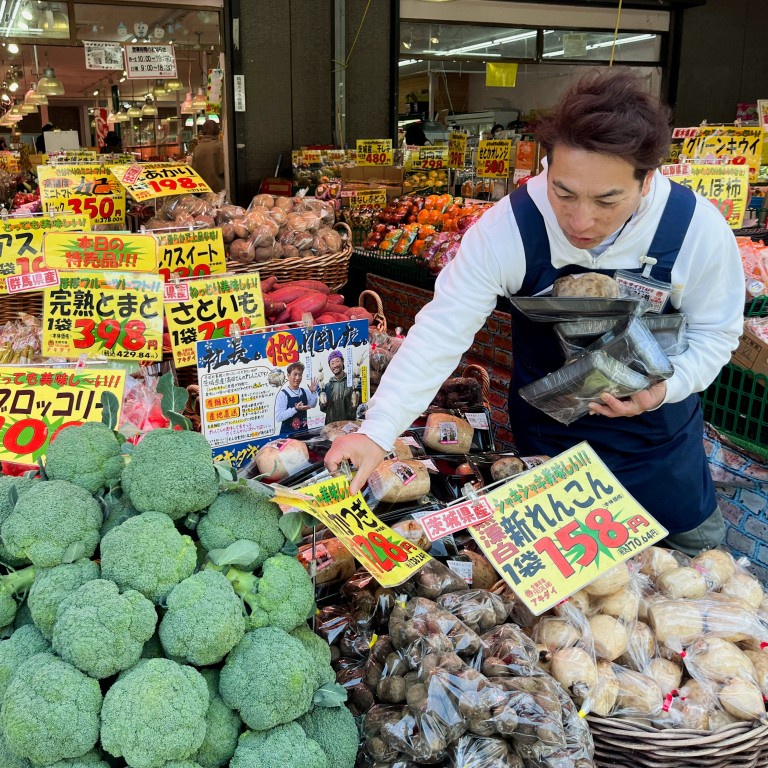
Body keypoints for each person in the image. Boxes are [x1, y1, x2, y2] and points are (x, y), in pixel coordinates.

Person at [326, 70, 744, 556]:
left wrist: (664, 390)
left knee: (697, 584)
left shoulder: (697, 229)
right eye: (563, 193)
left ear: (647, 179)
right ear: (547, 164)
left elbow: (717, 335)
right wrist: (377, 432)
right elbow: (441, 331)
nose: (581, 220)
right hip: (549, 453)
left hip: (658, 451)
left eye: (607, 200)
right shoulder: (508, 226)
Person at [274, 362, 318, 435]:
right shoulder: (283, 394)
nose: (297, 378)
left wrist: (313, 392)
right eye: (295, 374)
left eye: (300, 375)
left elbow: (312, 405)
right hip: (288, 435)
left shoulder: (305, 392)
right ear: (288, 376)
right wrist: (295, 409)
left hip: (304, 432)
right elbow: (279, 417)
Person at [320, 351, 356, 424]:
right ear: (329, 366)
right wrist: (323, 401)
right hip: (332, 425)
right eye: (332, 363)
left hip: (349, 425)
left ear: (342, 362)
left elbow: (361, 405)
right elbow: (323, 409)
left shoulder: (353, 382)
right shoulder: (327, 386)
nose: (335, 365)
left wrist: (359, 391)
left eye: (337, 361)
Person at [191, 119, 224, 192]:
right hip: (218, 190)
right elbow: (224, 169)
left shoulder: (197, 148)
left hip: (202, 190)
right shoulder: (221, 146)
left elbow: (193, 170)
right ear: (217, 130)